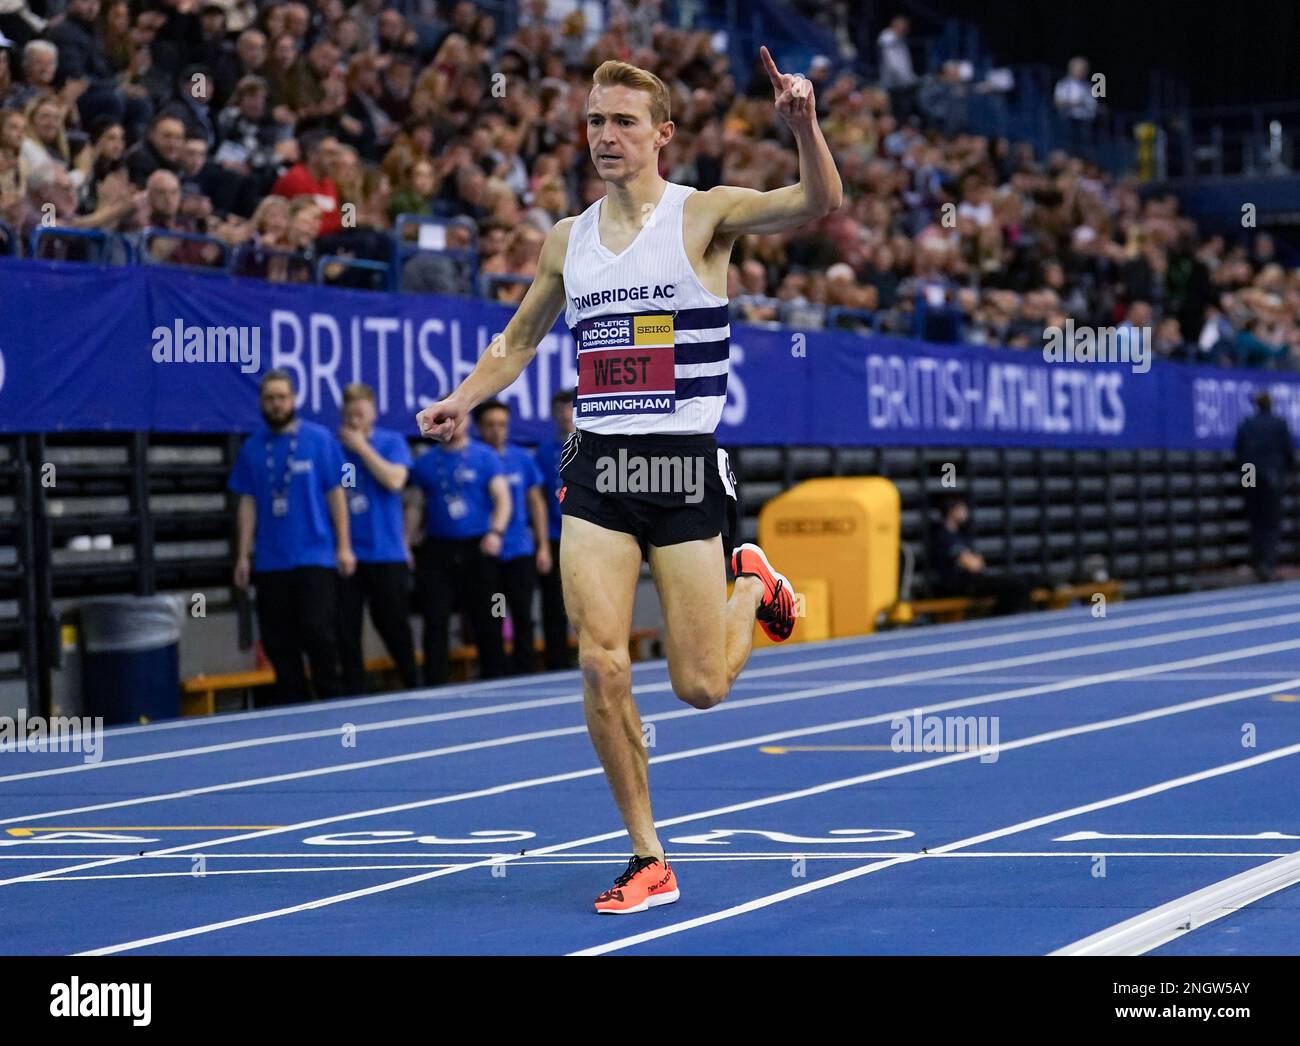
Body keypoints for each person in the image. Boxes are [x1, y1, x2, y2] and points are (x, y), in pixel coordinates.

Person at [415, 49, 835, 913]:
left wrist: (804, 128)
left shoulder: (703, 214)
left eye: (623, 122)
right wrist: (462, 398)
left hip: (681, 466)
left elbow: (817, 202)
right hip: (600, 465)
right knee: (601, 661)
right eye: (595, 121)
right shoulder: (565, 239)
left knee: (699, 687)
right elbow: (518, 339)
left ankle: (751, 586)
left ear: (662, 134)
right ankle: (648, 854)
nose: (606, 135)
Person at [229, 369, 355, 705]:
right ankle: (295, 705)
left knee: (317, 630)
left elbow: (336, 493)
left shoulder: (319, 439)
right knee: (278, 640)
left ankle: (332, 700)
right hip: (272, 560)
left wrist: (344, 546)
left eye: (282, 397)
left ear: (294, 399)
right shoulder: (252, 448)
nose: (276, 404)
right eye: (270, 398)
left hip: (315, 555)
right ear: (261, 402)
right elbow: (247, 503)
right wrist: (242, 555)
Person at [407, 415, 510, 686]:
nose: (451, 425)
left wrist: (496, 532)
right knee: (435, 615)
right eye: (444, 420)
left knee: (488, 613)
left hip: (478, 545)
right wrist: (407, 542)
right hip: (438, 547)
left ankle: (496, 676)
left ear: (467, 422)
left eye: (457, 419)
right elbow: (416, 505)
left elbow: (502, 498)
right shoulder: (425, 461)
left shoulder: (485, 456)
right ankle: (435, 681)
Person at [336, 382, 418, 692]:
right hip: (349, 554)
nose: (355, 419)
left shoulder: (391, 442)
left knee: (393, 624)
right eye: (350, 414)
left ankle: (413, 682)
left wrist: (362, 447)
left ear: (373, 412)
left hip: (387, 552)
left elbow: (395, 481)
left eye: (361, 413)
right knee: (346, 628)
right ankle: (354, 691)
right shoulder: (334, 448)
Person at [473, 399, 549, 675]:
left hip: (519, 549)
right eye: (490, 425)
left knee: (522, 612)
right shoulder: (474, 457)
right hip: (487, 552)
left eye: (502, 425)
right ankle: (495, 669)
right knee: (493, 612)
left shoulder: (521, 458)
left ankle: (524, 668)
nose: (496, 431)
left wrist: (543, 546)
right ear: (479, 427)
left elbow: (536, 502)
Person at [928, 495, 1033, 615]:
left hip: (972, 580)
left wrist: (972, 561)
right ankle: (999, 618)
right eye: (962, 508)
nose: (966, 511)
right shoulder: (943, 536)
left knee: (1025, 580)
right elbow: (973, 565)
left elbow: (978, 563)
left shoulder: (960, 535)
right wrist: (971, 561)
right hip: (960, 585)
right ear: (952, 511)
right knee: (1015, 585)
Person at [534, 389, 575, 670]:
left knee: (591, 598)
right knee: (553, 601)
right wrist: (542, 545)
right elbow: (536, 498)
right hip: (554, 535)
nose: (564, 415)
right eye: (559, 409)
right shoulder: (544, 452)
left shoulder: (593, 444)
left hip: (589, 535)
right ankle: (557, 660)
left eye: (569, 408)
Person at [1235, 391, 1294, 582]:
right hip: (1271, 474)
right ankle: (1267, 565)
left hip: (1251, 473)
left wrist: (1246, 483)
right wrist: (1287, 475)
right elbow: (1288, 451)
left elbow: (1240, 454)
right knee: (1271, 522)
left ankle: (1258, 563)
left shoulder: (1247, 424)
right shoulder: (1278, 424)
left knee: (1255, 520)